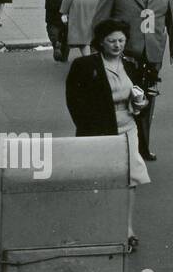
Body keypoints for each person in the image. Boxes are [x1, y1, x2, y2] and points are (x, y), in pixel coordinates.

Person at [92, 0, 173, 163]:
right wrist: (99, 50)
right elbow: (100, 20)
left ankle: (143, 147)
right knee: (123, 100)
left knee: (146, 102)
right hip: (123, 55)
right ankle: (121, 146)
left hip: (152, 55)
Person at [65, 18, 152, 252]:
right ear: (101, 43)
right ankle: (96, 225)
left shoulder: (131, 64)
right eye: (112, 41)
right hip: (98, 128)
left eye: (121, 40)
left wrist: (140, 103)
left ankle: (127, 228)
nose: (117, 45)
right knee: (100, 178)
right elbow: (74, 100)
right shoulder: (85, 65)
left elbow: (141, 98)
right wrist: (87, 126)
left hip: (128, 127)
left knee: (131, 176)